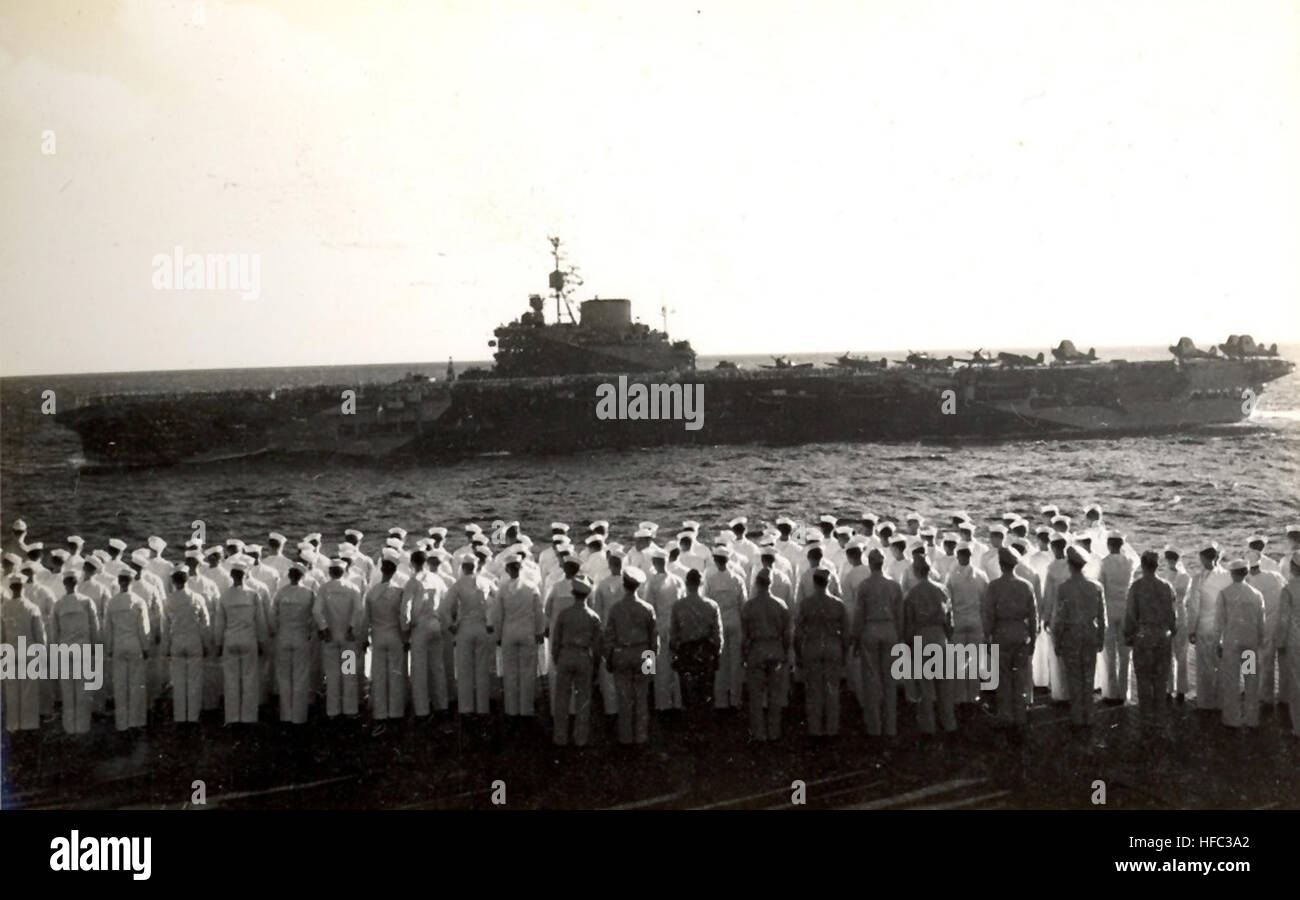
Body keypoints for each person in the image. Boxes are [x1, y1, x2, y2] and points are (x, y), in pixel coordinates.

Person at [983, 548, 1037, 733]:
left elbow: (989, 616)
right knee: (1020, 677)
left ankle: (1005, 716)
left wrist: (986, 637)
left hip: (1002, 634)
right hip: (1021, 634)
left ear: (1000, 565)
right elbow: (1033, 616)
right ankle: (1020, 716)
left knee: (1003, 678)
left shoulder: (994, 586)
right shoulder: (1026, 585)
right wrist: (1033, 640)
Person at [1051, 547, 1106, 729]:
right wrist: (1101, 639)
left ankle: (1077, 717)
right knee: (1088, 677)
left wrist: (1057, 641)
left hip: (1071, 635)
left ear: (1069, 565)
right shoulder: (1096, 586)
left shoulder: (1064, 588)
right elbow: (1101, 616)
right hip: (1090, 632)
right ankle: (1089, 716)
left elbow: (1059, 619)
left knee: (1073, 677)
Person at [1122, 551, 1176, 731]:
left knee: (1143, 678)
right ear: (1157, 565)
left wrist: (1128, 635)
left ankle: (1146, 719)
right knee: (1161, 679)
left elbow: (1130, 614)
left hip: (1144, 634)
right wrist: (1172, 631)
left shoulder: (1136, 587)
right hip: (1163, 634)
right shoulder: (1166, 586)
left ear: (1143, 565)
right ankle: (1160, 718)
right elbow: (1172, 614)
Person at [604, 566, 658, 745]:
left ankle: (625, 737)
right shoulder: (647, 608)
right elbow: (653, 639)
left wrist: (609, 658)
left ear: (624, 584)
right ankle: (641, 736)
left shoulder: (615, 608)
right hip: (643, 653)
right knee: (642, 697)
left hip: (622, 653)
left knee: (624, 698)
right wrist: (650, 666)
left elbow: (609, 637)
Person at [903, 560, 957, 735]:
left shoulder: (912, 593)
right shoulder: (941, 589)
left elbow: (909, 622)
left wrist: (909, 643)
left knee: (925, 685)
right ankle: (949, 723)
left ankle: (928, 726)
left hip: (921, 636)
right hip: (939, 635)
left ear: (916, 572)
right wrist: (948, 637)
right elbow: (950, 618)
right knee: (944, 685)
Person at [853, 549, 903, 737]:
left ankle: (874, 727)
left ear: (870, 563)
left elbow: (859, 615)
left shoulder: (864, 585)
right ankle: (890, 727)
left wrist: (855, 638)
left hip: (870, 629)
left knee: (871, 681)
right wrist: (899, 637)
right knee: (889, 680)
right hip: (889, 629)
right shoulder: (894, 585)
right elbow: (900, 616)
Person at [796, 567, 849, 737]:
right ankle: (832, 729)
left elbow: (798, 632)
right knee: (832, 690)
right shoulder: (838, 604)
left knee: (813, 691)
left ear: (814, 582)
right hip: (833, 645)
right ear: (829, 582)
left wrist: (798, 653)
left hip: (812, 646)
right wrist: (844, 652)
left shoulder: (806, 603)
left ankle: (815, 729)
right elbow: (846, 632)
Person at [214, 562, 268, 725]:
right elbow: (261, 621)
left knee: (231, 680)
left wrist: (218, 644)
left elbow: (219, 623)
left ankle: (232, 717)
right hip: (248, 639)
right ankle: (248, 717)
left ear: (232, 576)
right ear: (246, 575)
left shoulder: (224, 595)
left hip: (230, 639)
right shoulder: (253, 595)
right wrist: (262, 642)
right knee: (249, 678)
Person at [551, 576, 603, 746]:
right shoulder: (593, 616)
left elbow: (556, 640)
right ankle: (580, 737)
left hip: (566, 654)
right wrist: (595, 665)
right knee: (583, 699)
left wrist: (556, 657)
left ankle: (560, 737)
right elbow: (597, 645)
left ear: (573, 593)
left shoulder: (564, 614)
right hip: (583, 656)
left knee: (562, 698)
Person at [741, 568, 790, 741]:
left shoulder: (749, 606)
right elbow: (786, 633)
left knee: (756, 695)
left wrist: (744, 655)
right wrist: (784, 652)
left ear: (757, 583)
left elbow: (744, 635)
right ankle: (774, 732)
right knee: (775, 695)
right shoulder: (780, 604)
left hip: (757, 649)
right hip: (775, 649)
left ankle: (759, 733)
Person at [1216, 559, 1265, 730]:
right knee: (1251, 679)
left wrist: (1217, 641)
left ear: (1232, 573)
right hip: (1249, 643)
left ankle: (1232, 718)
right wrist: (1260, 640)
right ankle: (1252, 718)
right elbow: (1261, 622)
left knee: (1232, 680)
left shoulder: (1224, 593)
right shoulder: (1256, 594)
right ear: (1246, 573)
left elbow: (1219, 622)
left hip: (1232, 644)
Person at [50, 571, 101, 735]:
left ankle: (69, 727)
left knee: (67, 691)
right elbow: (95, 627)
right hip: (83, 649)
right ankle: (82, 727)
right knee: (83, 691)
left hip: (64, 650)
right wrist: (95, 647)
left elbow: (54, 632)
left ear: (65, 584)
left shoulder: (58, 605)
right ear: (77, 583)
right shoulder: (86, 602)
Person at [495, 555, 545, 719]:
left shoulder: (502, 588)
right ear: (520, 568)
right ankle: (526, 709)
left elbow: (498, 615)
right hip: (527, 632)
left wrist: (498, 635)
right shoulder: (532, 587)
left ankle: (511, 709)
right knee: (527, 671)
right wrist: (539, 632)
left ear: (507, 569)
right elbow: (539, 612)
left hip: (509, 632)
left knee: (510, 672)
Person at [446, 558, 498, 716]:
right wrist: (491, 620)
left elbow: (447, 606)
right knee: (482, 669)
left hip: (464, 629)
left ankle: (466, 708)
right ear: (477, 567)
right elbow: (498, 601)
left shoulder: (458, 584)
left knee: (464, 669)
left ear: (463, 568)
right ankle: (482, 708)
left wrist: (451, 624)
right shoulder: (486, 582)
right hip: (482, 627)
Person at [313, 559, 364, 718]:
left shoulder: (324, 588)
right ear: (344, 571)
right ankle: (350, 710)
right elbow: (359, 611)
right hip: (347, 639)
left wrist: (324, 628)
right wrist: (351, 628)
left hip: (331, 639)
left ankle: (333, 711)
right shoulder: (352, 588)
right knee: (348, 674)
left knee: (333, 675)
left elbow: (316, 611)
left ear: (330, 572)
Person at [670, 568, 723, 718]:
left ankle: (689, 726)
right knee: (705, 692)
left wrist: (674, 652)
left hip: (686, 651)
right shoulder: (711, 605)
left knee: (687, 692)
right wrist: (717, 654)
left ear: (686, 583)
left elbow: (674, 634)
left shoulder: (678, 606)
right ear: (701, 583)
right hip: (705, 652)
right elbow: (718, 634)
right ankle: (704, 727)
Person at [160, 567, 210, 724]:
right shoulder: (197, 598)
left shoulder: (169, 600)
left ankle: (180, 717)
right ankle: (193, 716)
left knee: (179, 681)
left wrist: (166, 648)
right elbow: (205, 623)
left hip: (177, 642)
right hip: (194, 641)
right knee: (194, 681)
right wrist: (205, 643)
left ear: (174, 582)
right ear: (187, 580)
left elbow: (165, 627)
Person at [403, 551, 449, 718]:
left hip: (420, 627)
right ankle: (441, 705)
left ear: (413, 563)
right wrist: (443, 624)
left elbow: (406, 608)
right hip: (435, 625)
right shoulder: (437, 579)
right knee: (437, 667)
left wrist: (405, 630)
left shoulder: (413, 581)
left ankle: (422, 710)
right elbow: (446, 602)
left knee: (419, 669)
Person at [362, 554, 408, 722]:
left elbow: (365, 618)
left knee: (379, 675)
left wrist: (363, 639)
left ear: (381, 569)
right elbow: (404, 617)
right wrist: (405, 637)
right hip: (395, 636)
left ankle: (380, 713)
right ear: (395, 571)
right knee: (395, 675)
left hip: (378, 637)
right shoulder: (399, 592)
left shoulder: (372, 593)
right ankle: (396, 712)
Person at [1186, 543, 1231, 710]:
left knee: (1204, 665)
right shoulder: (1227, 576)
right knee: (1221, 664)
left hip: (1204, 626)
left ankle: (1205, 702)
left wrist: (1191, 629)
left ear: (1204, 558)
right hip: (1222, 627)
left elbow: (1194, 607)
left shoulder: (1198, 579)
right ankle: (1221, 701)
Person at [104, 570, 151, 731]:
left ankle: (122, 723)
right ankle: (136, 721)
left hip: (118, 645)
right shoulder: (138, 601)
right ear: (132, 582)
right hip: (134, 644)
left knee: (120, 685)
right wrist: (145, 647)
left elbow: (108, 628)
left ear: (119, 582)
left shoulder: (112, 602)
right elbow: (143, 628)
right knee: (136, 684)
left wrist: (109, 648)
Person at [271, 562, 315, 724]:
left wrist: (277, 630)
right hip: (301, 636)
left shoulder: (281, 593)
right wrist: (309, 632)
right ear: (303, 575)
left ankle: (285, 714)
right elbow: (315, 617)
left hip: (283, 637)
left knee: (284, 677)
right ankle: (298, 716)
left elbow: (272, 615)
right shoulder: (309, 594)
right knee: (300, 676)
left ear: (290, 575)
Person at [946, 543, 989, 706]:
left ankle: (960, 696)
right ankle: (973, 695)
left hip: (959, 621)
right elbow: (985, 602)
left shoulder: (952, 576)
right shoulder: (981, 575)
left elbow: (948, 602)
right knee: (974, 660)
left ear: (958, 556)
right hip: (975, 621)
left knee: (959, 660)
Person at [705, 547, 748, 710]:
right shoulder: (737, 579)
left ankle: (721, 700)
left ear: (715, 561)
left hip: (719, 622)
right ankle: (735, 699)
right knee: (735, 661)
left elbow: (708, 602)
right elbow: (743, 604)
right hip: (735, 621)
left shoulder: (711, 579)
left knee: (721, 662)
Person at [643, 549, 685, 711]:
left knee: (657, 664)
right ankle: (677, 701)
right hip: (675, 625)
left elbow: (649, 608)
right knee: (675, 663)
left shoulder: (652, 582)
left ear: (655, 563)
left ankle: (661, 703)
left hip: (659, 625)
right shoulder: (677, 580)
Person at [2, 576, 45, 733]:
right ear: (22, 587)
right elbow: (39, 634)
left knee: (12, 691)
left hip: (10, 654)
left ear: (11, 588)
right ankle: (28, 725)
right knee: (28, 691)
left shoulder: (3, 608)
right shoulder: (32, 607)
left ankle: (13, 725)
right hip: (28, 653)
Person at [1098, 534, 1136, 703]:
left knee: (1109, 653)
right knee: (1125, 653)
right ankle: (1124, 692)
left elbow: (1101, 587)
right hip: (1125, 610)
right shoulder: (1129, 562)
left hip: (1109, 609)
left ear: (1108, 545)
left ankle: (1111, 692)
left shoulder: (1104, 562)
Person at [1245, 552, 1286, 706]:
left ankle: (1251, 690)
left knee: (1249, 658)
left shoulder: (1248, 582)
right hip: (1274, 623)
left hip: (1254, 625)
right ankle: (1267, 696)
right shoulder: (1275, 575)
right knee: (1268, 661)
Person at [1160, 546, 1192, 703]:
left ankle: (1175, 689)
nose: (1170, 561)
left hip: (1173, 615)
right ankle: (1175, 689)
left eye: (1171, 558)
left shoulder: (1172, 576)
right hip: (1175, 614)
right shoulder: (1182, 576)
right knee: (1175, 655)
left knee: (1174, 654)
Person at [1275, 552, 1300, 738]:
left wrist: (1280, 642)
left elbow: (1283, 620)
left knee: (1296, 684)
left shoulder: (1288, 589)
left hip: (1295, 639)